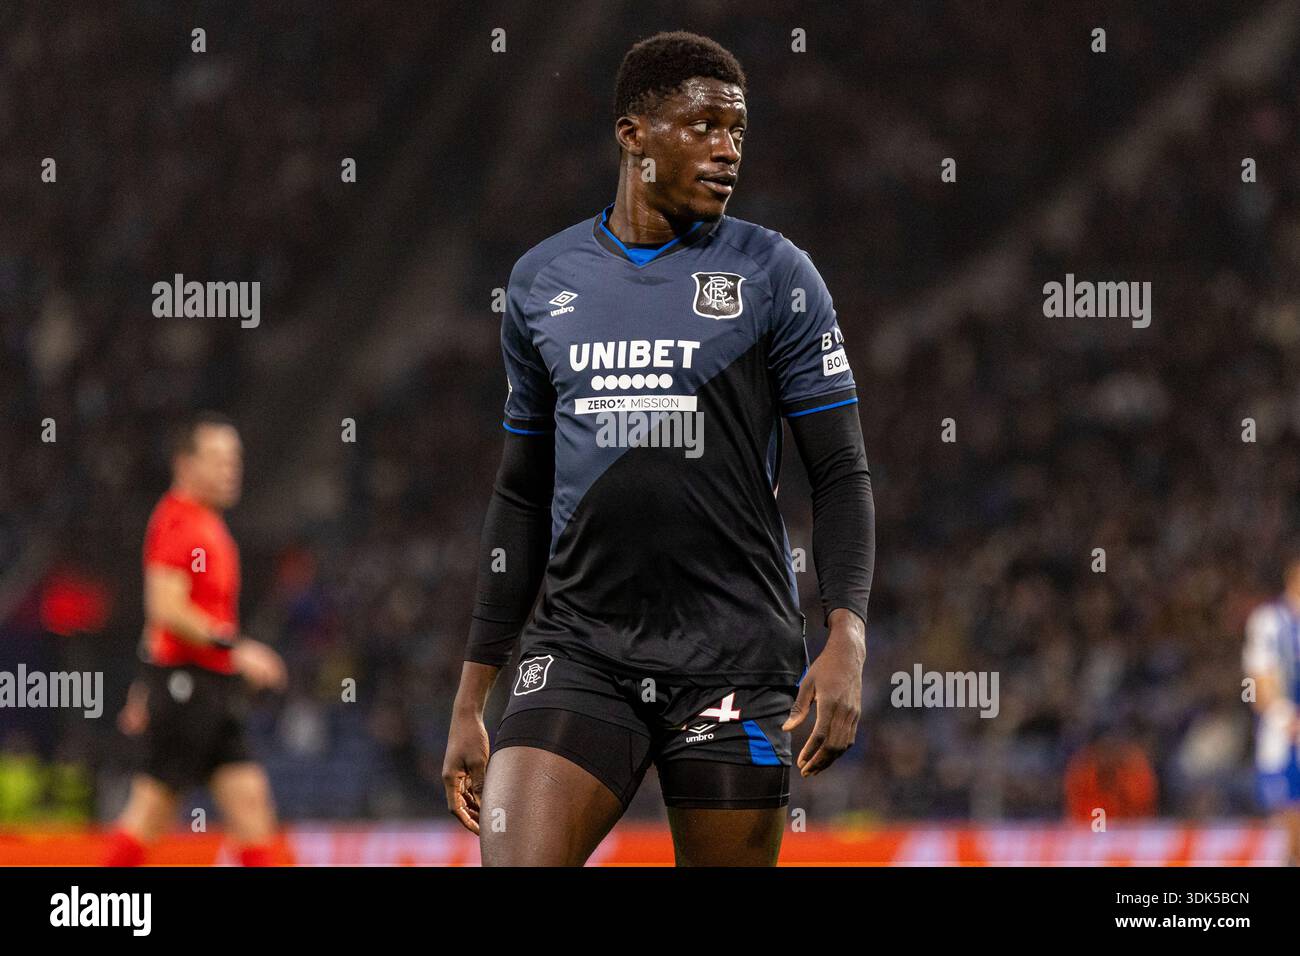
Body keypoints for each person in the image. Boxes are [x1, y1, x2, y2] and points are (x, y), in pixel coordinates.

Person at [443, 32, 875, 866]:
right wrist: (472, 696)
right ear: (632, 134)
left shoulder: (775, 274)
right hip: (581, 649)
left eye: (738, 132)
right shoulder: (541, 282)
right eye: (704, 125)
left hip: (735, 660)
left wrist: (846, 636)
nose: (727, 150)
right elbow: (522, 496)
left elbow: (841, 471)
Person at [103, 412, 287, 866]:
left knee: (252, 810)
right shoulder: (178, 522)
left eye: (235, 459)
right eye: (220, 459)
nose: (232, 469)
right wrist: (235, 648)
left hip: (210, 689)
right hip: (188, 688)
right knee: (148, 814)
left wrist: (144, 683)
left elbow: (158, 627)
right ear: (185, 465)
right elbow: (165, 607)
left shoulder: (206, 523)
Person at [1243, 557, 1300, 866]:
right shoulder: (1269, 621)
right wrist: (1287, 720)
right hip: (1285, 744)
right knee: (1293, 834)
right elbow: (1258, 684)